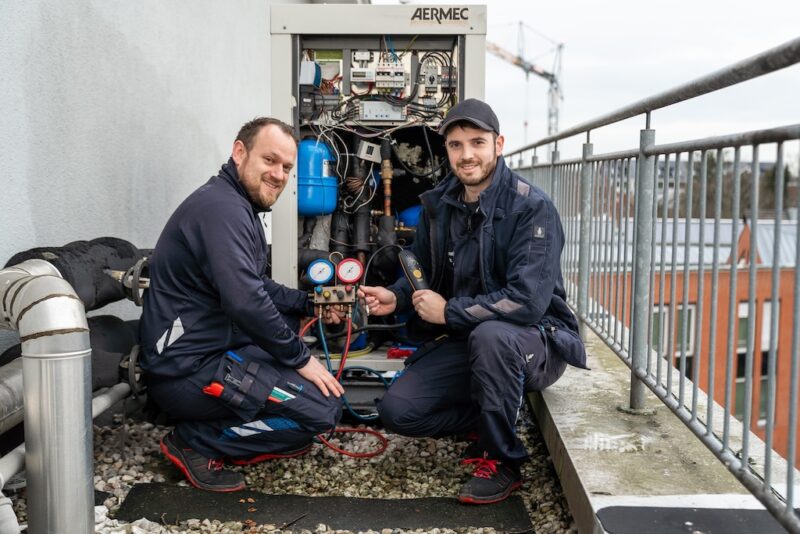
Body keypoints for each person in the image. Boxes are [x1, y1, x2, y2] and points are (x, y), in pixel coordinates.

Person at [360, 99, 587, 505]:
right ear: (446, 150)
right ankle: (485, 418)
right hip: (471, 337)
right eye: (456, 145)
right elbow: (424, 273)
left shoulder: (532, 207)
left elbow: (527, 302)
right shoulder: (438, 205)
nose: (466, 155)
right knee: (398, 411)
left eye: (477, 142)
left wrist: (449, 312)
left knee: (493, 335)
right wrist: (395, 297)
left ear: (498, 145)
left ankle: (503, 460)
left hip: (537, 341)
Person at [139, 117, 344, 492]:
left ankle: (245, 432)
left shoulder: (235, 205)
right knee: (319, 412)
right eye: (269, 160)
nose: (279, 174)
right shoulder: (221, 209)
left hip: (214, 351)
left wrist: (308, 303)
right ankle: (194, 442)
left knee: (316, 402)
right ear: (239, 152)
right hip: (186, 369)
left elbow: (255, 284)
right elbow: (246, 300)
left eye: (286, 167)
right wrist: (300, 357)